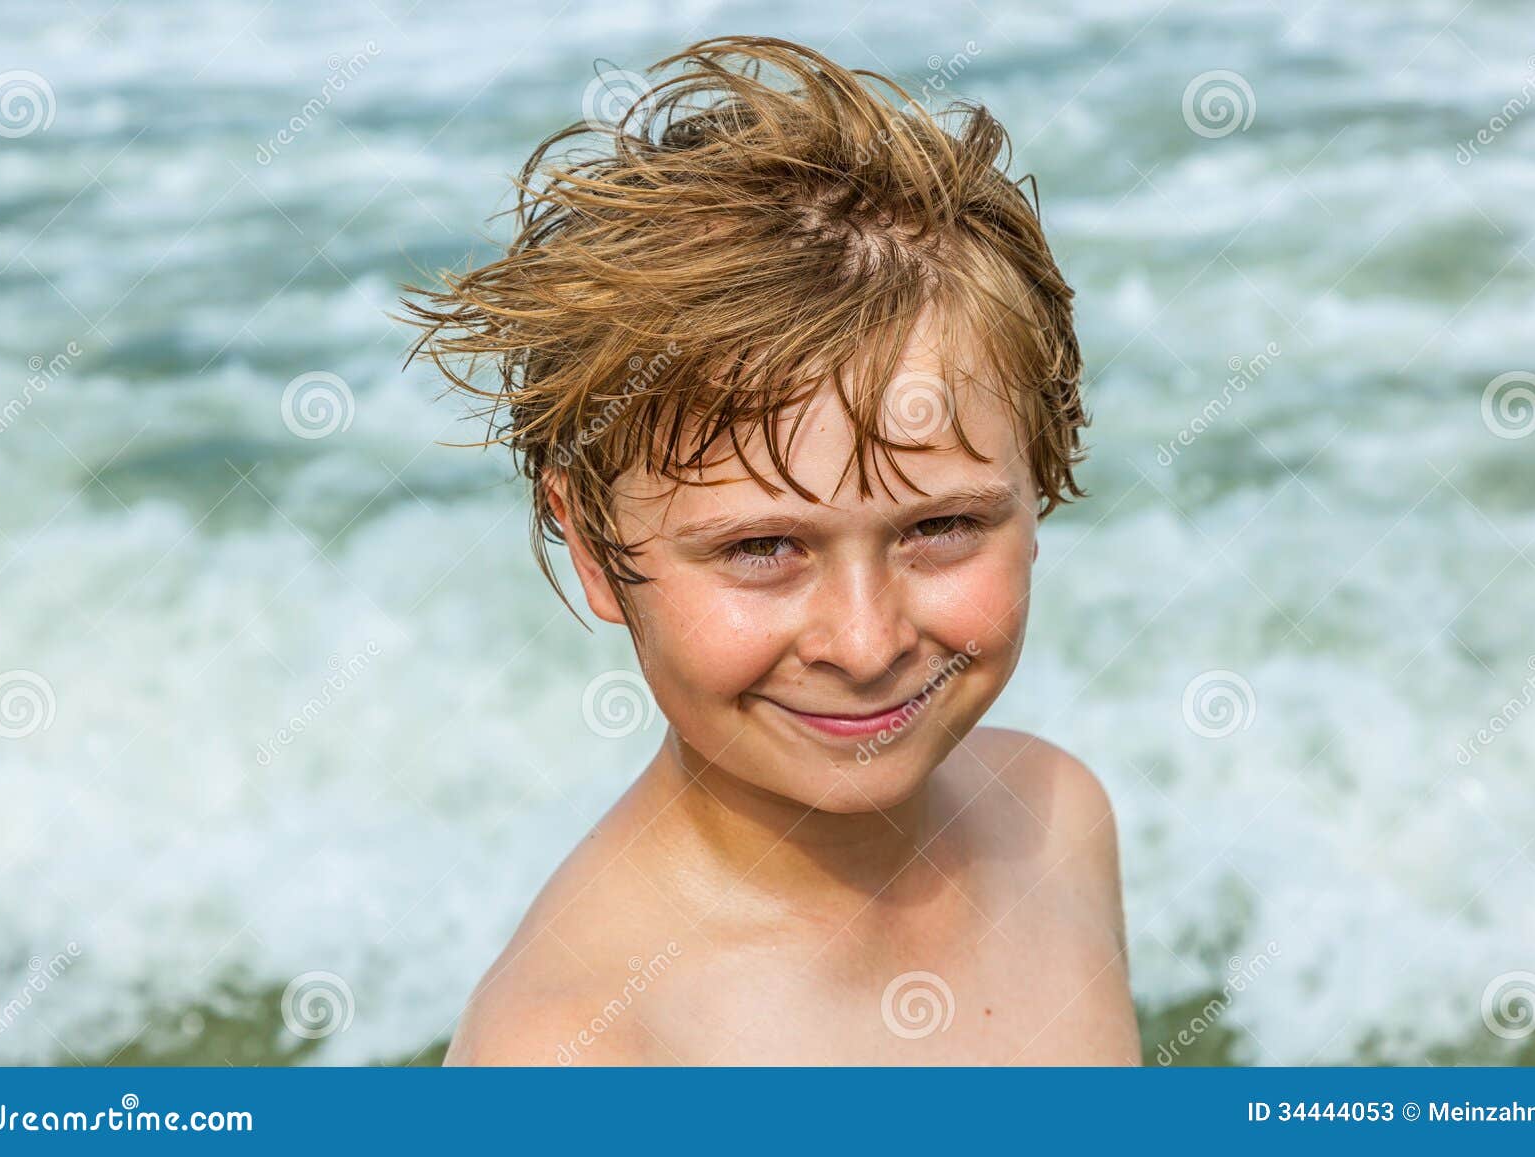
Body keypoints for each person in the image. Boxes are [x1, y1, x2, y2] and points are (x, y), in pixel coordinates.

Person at [400, 34, 1139, 1065]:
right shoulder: (580, 1049)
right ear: (595, 546)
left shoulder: (1055, 819)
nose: (864, 638)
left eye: (938, 527)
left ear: (1040, 483)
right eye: (762, 548)